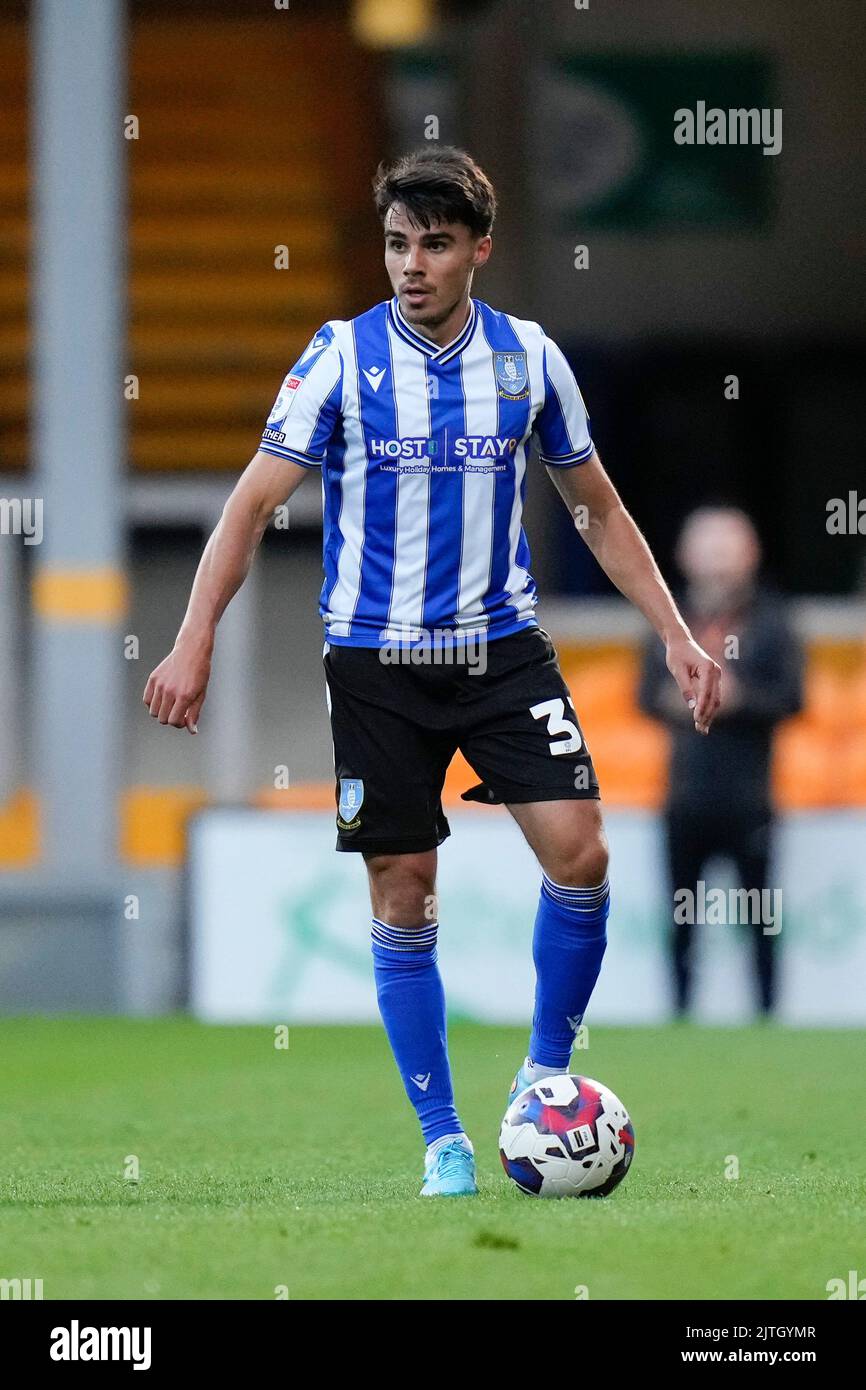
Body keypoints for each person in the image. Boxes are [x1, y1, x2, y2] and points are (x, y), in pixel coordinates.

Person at [143, 146, 721, 1196]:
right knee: (403, 892)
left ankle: (543, 1074)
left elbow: (595, 508)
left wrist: (676, 633)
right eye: (396, 243)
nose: (410, 264)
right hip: (375, 665)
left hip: (501, 653)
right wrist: (193, 636)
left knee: (581, 854)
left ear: (478, 250)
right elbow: (248, 505)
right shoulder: (338, 356)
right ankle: (443, 1138)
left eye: (434, 244)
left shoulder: (530, 359)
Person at [638, 507, 804, 1018]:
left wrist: (738, 698)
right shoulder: (670, 619)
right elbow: (645, 695)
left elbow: (792, 697)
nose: (715, 558)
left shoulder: (772, 619)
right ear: (684, 555)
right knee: (680, 919)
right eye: (706, 546)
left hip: (749, 798)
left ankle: (768, 1017)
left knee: (760, 918)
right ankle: (680, 1016)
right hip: (685, 796)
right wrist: (683, 698)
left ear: (751, 553)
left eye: (726, 545)